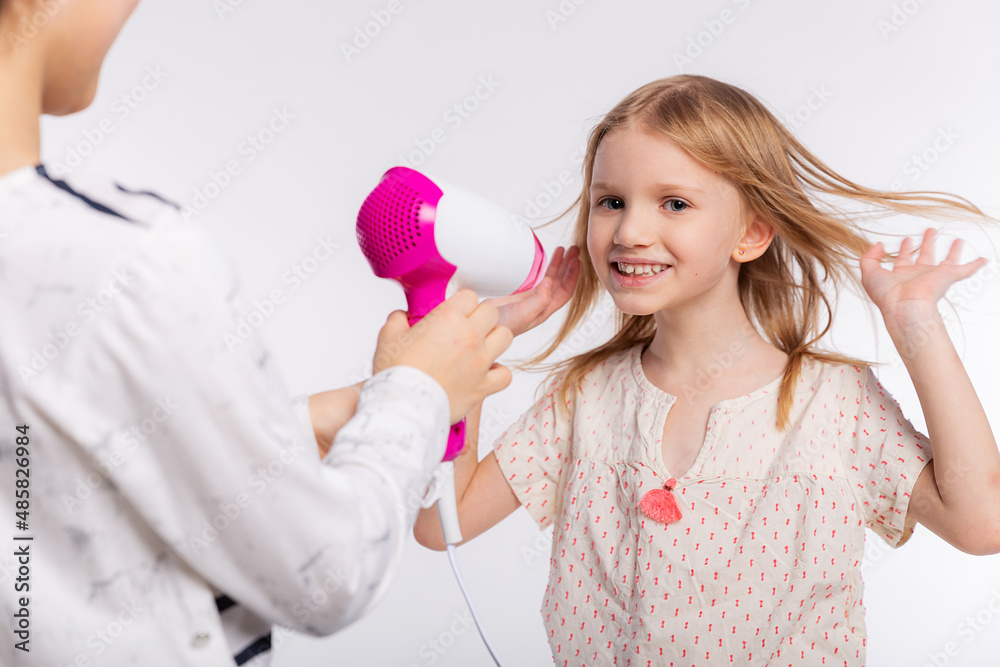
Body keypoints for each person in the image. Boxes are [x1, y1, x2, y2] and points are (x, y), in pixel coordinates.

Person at [0, 0, 581, 665]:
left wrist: (338, 416)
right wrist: (415, 394)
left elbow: (47, 476)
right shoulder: (128, 261)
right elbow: (325, 576)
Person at [414, 74, 1000, 666]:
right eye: (610, 201)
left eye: (674, 203)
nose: (630, 232)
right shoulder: (585, 397)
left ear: (750, 233)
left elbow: (982, 525)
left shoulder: (834, 402)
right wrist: (476, 343)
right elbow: (445, 524)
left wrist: (914, 324)